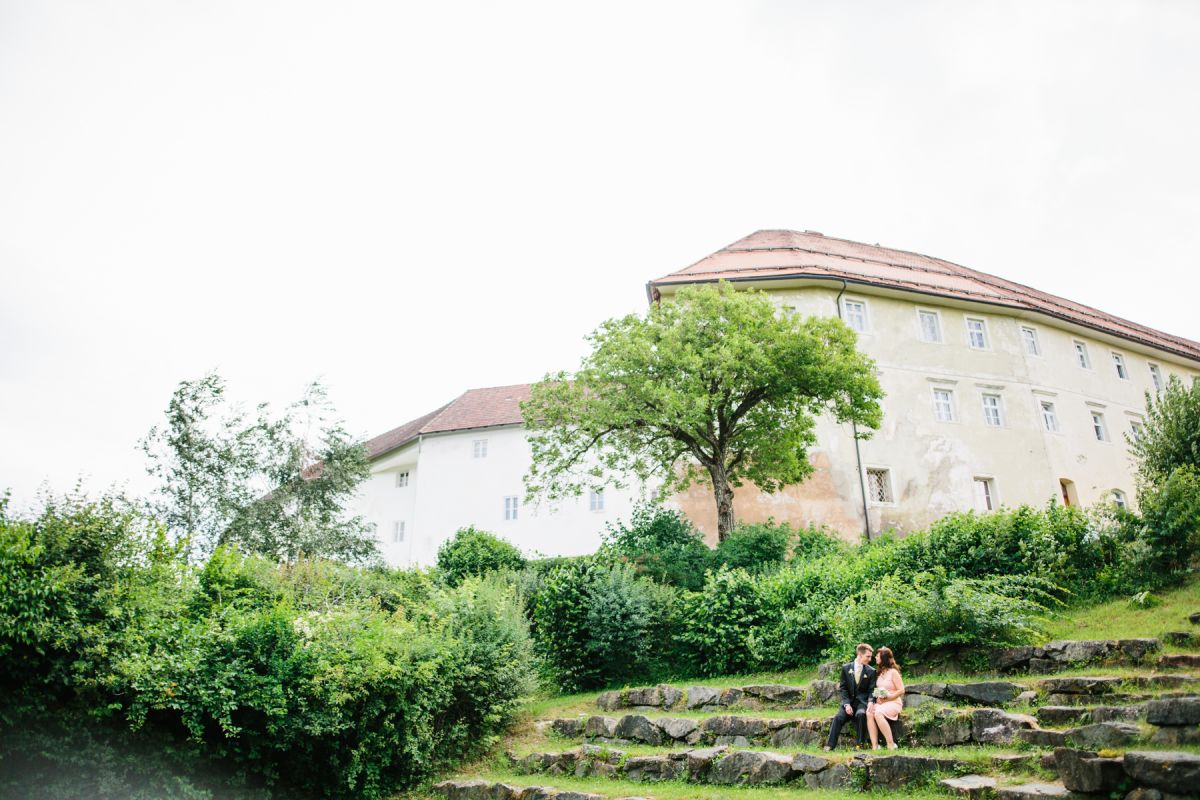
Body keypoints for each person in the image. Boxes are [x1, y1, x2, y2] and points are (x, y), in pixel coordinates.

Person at [824, 643, 876, 750]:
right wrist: (846, 704)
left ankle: (860, 745)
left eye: (870, 656)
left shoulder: (871, 671)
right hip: (848, 702)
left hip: (862, 703)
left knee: (861, 715)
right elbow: (843, 688)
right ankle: (830, 745)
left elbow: (872, 690)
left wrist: (871, 701)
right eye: (868, 656)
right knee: (838, 718)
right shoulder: (846, 668)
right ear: (859, 655)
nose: (870, 659)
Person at [867, 646, 905, 750]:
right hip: (882, 702)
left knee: (878, 713)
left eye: (877, 656)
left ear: (883, 658)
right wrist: (878, 695)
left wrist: (889, 697)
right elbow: (878, 689)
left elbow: (901, 690)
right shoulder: (879, 673)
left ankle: (890, 743)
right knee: (869, 712)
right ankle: (875, 746)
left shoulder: (893, 672)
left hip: (894, 702)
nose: (875, 657)